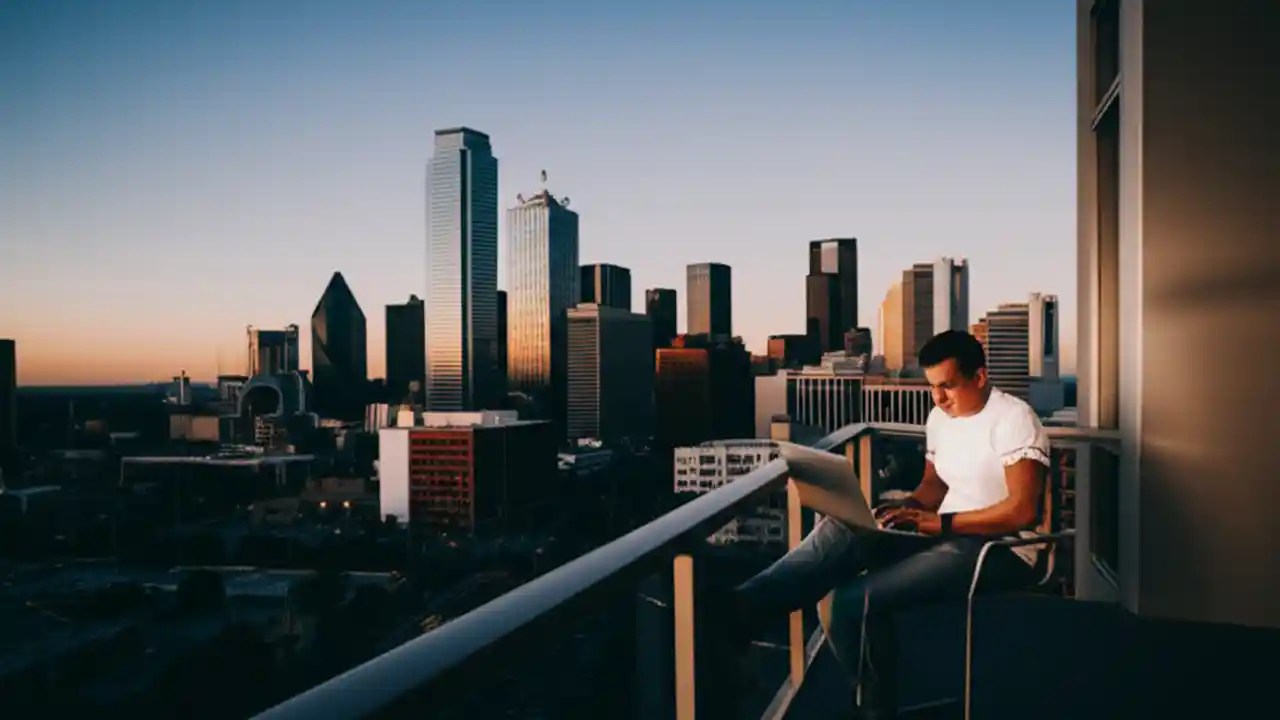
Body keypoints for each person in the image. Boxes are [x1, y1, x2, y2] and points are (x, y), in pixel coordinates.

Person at [725, 330, 1052, 718]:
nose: (938, 399)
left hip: (1000, 549)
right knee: (845, 527)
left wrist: (938, 524)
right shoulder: (939, 418)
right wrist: (909, 510)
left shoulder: (1013, 419)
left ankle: (875, 708)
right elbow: (935, 483)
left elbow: (1022, 511)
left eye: (948, 387)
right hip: (946, 531)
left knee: (845, 603)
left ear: (980, 377)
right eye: (932, 387)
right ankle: (740, 609)